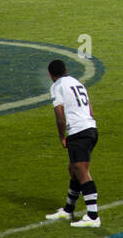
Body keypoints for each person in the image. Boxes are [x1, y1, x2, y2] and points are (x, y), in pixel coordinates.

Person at [43, 59, 101, 228]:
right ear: (66, 69)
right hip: (90, 128)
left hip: (79, 131)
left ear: (51, 75)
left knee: (82, 171)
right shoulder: (78, 83)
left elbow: (60, 116)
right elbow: (89, 109)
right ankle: (68, 210)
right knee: (73, 169)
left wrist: (62, 136)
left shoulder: (56, 86)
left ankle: (93, 216)